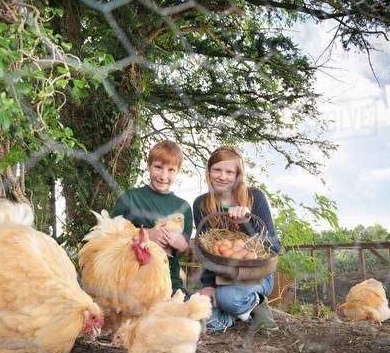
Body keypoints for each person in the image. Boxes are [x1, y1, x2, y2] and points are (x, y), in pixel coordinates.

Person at [193, 145, 281, 332]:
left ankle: (257, 302)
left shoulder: (255, 197)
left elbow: (273, 247)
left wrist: (246, 222)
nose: (222, 177)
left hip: (257, 275)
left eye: (229, 172)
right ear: (209, 172)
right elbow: (206, 251)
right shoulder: (201, 204)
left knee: (227, 298)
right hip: (222, 277)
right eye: (217, 170)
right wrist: (208, 286)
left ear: (238, 175)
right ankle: (234, 316)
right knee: (200, 316)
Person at [111, 140, 193, 293]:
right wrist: (146, 235)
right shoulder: (130, 198)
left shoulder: (184, 207)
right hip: (132, 282)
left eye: (171, 170)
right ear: (148, 165)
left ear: (178, 171)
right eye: (158, 167)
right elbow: (110, 238)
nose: (163, 176)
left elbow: (184, 251)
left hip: (170, 283)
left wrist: (180, 243)